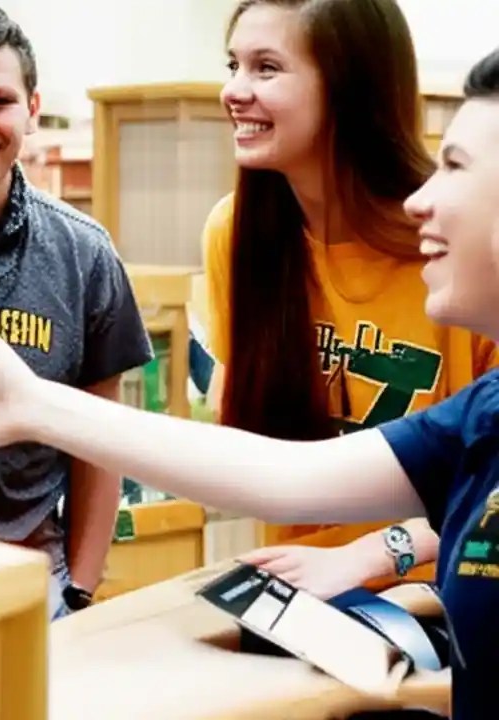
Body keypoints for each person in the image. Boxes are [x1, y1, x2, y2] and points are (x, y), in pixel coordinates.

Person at [0, 45, 499, 719]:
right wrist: (35, 404)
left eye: (454, 167)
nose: (421, 200)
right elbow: (286, 477)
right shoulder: (486, 412)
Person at [200, 0, 497, 599]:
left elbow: (484, 487)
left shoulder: (455, 246)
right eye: (233, 64)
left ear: (345, 86)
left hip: (439, 592)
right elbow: (251, 452)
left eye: (266, 68)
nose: (234, 90)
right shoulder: (237, 234)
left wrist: (372, 555)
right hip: (298, 594)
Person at [0, 4, 153, 618]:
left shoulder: (83, 253)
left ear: (32, 111)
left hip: (33, 593)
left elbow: (99, 440)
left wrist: (80, 590)